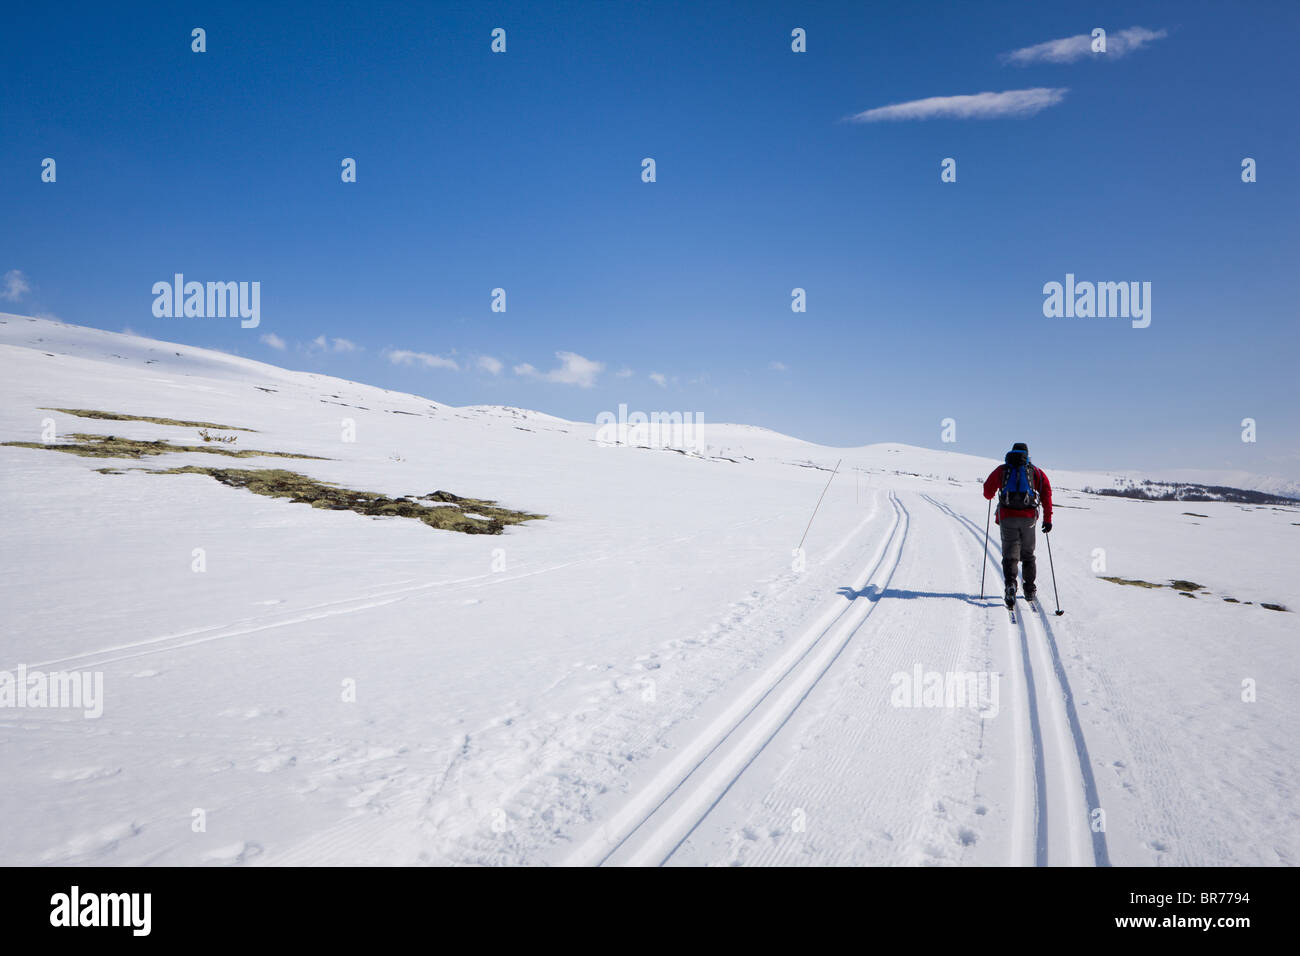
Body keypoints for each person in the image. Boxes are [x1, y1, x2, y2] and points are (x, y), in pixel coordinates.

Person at [982, 442, 1053, 607]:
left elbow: (987, 492)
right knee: (1028, 554)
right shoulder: (1035, 471)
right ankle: (1029, 589)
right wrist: (1047, 519)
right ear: (1027, 454)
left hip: (1007, 517)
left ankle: (1010, 586)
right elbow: (1046, 493)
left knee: (1010, 555)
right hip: (1029, 518)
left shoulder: (1002, 470)